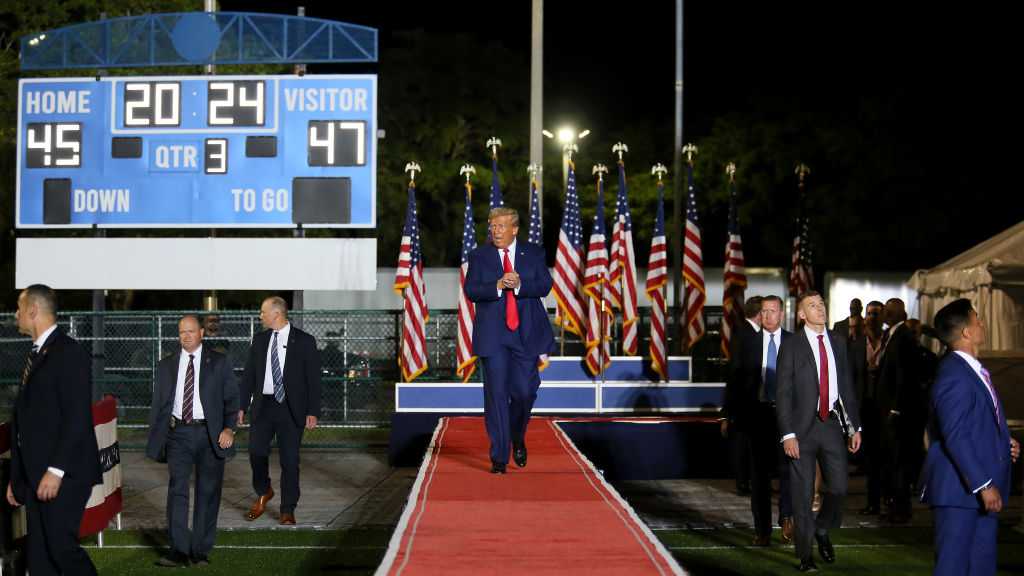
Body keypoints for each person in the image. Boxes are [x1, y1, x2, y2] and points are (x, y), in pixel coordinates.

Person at [920, 299, 1020, 576]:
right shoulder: (955, 375)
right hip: (961, 491)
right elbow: (956, 435)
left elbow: (973, 424)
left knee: (981, 567)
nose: (983, 324)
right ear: (966, 331)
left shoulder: (971, 371)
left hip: (977, 492)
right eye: (978, 319)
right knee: (953, 567)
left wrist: (1004, 443)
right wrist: (984, 484)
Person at [8, 284, 102, 575]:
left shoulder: (68, 352)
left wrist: (56, 470)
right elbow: (27, 421)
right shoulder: (37, 353)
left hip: (64, 475)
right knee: (39, 557)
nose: (15, 315)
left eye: (19, 309)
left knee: (60, 548)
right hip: (37, 476)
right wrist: (18, 477)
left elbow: (76, 418)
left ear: (33, 310)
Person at [465, 207, 555, 474]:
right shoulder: (479, 256)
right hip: (494, 337)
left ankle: (517, 434)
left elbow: (545, 285)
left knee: (525, 391)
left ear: (514, 229)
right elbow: (471, 290)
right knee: (496, 395)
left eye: (501, 226)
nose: (495, 231)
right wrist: (497, 285)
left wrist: (518, 284)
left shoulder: (533, 253)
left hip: (525, 336)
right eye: (492, 226)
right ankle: (499, 456)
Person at [776, 291, 861, 572]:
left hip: (831, 425)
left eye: (821, 304)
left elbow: (846, 387)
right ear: (801, 314)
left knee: (839, 487)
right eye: (812, 306)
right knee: (802, 495)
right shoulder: (791, 345)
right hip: (800, 430)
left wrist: (854, 427)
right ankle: (805, 555)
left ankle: (822, 528)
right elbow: (784, 392)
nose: (820, 309)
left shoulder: (838, 341)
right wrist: (787, 433)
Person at [146, 315, 239, 567]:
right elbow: (159, 405)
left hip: (211, 435)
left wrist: (229, 429)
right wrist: (157, 435)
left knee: (208, 492)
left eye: (190, 331)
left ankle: (200, 551)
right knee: (177, 490)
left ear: (201, 333)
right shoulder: (166, 365)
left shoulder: (219, 362)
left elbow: (232, 400)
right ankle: (178, 550)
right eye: (181, 332)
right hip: (179, 435)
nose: (185, 336)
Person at [239, 296, 321, 524]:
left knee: (289, 460)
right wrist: (241, 405)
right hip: (263, 407)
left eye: (263, 312)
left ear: (276, 314)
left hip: (291, 409)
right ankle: (264, 490)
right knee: (256, 451)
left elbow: (313, 380)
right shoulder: (260, 340)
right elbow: (248, 377)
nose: (260, 316)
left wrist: (313, 411)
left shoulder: (305, 341)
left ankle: (287, 508)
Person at [724, 295, 794, 546]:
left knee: (788, 471)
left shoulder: (794, 342)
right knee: (760, 476)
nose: (767, 316)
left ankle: (787, 516)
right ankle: (762, 530)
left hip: (787, 418)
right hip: (757, 416)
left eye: (773, 311)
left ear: (781, 314)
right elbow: (735, 377)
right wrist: (728, 413)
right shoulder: (748, 342)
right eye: (764, 311)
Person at [877, 298, 921, 523]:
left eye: (886, 310)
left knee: (898, 461)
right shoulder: (894, 335)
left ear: (892, 314)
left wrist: (895, 408)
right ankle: (896, 505)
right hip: (890, 409)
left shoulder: (903, 337)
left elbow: (904, 376)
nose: (883, 314)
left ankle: (901, 509)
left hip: (897, 412)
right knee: (892, 460)